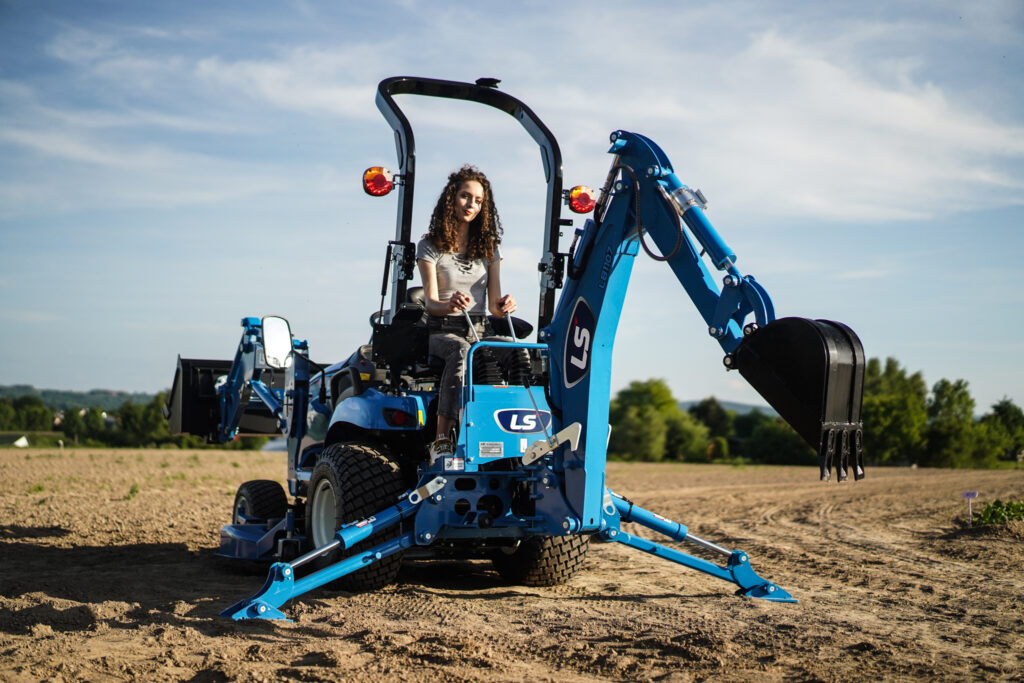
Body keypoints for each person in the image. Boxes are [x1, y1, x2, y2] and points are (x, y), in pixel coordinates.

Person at [416, 165, 516, 462]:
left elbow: (495, 303)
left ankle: (514, 432)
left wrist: (505, 304)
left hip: (480, 329)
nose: (471, 204)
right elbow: (431, 302)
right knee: (461, 352)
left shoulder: (489, 248)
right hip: (442, 329)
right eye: (465, 196)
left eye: (478, 200)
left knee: (519, 351)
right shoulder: (430, 245)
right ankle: (442, 442)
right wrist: (449, 304)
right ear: (451, 198)